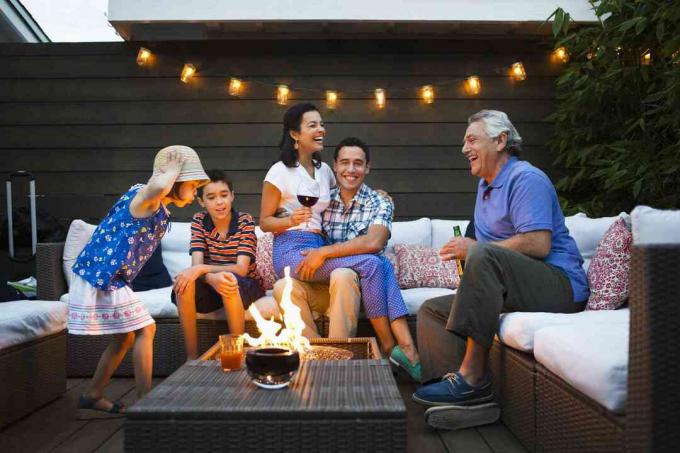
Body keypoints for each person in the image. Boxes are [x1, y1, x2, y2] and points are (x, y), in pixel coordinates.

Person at [413, 110, 589, 407]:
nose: (464, 148)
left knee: (482, 251)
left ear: (500, 140)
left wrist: (476, 251)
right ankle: (455, 389)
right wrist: (469, 258)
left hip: (560, 286)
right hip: (517, 286)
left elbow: (538, 243)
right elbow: (485, 256)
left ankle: (473, 380)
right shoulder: (484, 187)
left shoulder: (526, 179)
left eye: (472, 139)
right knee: (432, 311)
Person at [260, 103, 421, 381]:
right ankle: (392, 346)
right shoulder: (279, 171)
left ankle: (335, 358)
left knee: (375, 263)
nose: (321, 129)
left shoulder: (324, 171)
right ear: (295, 134)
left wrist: (379, 197)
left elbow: (345, 192)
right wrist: (290, 221)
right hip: (289, 249)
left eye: (322, 124)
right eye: (312, 125)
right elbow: (264, 222)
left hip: (315, 245)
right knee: (373, 263)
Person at [69, 146, 209, 416]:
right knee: (146, 328)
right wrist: (171, 171)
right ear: (175, 182)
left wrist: (173, 177)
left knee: (126, 338)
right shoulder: (144, 199)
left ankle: (93, 394)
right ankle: (146, 403)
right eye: (192, 186)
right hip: (100, 274)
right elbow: (155, 188)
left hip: (112, 278)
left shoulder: (156, 207)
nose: (195, 193)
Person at [172, 169, 264, 360]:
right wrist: (208, 276)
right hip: (211, 284)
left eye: (224, 195)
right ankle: (192, 358)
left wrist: (204, 270)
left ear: (232, 196)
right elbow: (195, 265)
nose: (219, 202)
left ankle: (236, 353)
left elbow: (241, 269)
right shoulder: (199, 221)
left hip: (246, 284)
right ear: (202, 202)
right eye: (211, 197)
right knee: (184, 283)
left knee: (228, 279)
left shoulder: (244, 221)